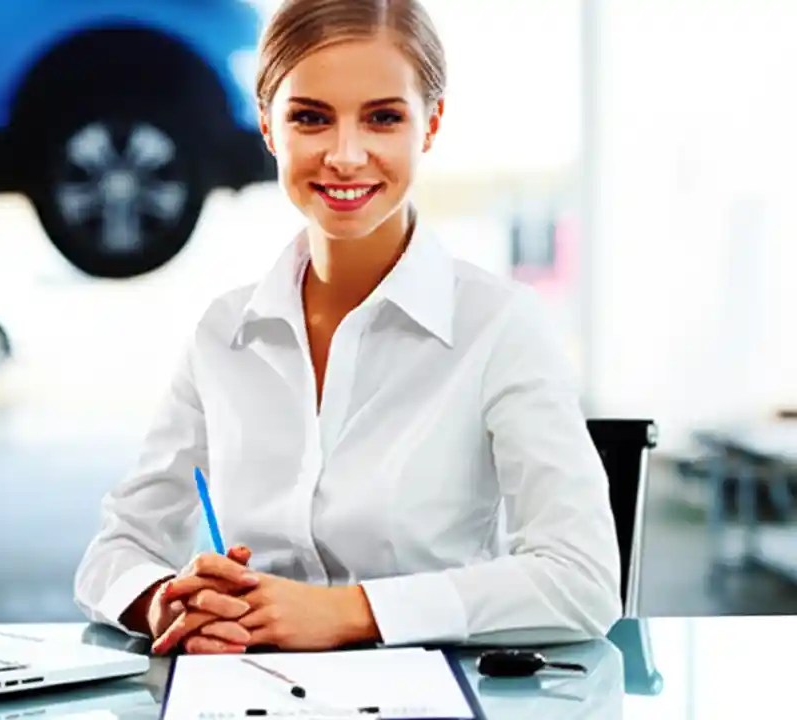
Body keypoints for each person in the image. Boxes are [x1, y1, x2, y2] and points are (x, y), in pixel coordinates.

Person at [73, 0, 621, 655]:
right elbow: (117, 551)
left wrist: (350, 613)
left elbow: (582, 580)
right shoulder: (224, 333)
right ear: (269, 127)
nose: (345, 155)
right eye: (310, 118)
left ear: (431, 124)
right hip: (254, 693)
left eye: (384, 118)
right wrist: (168, 602)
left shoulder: (500, 326)